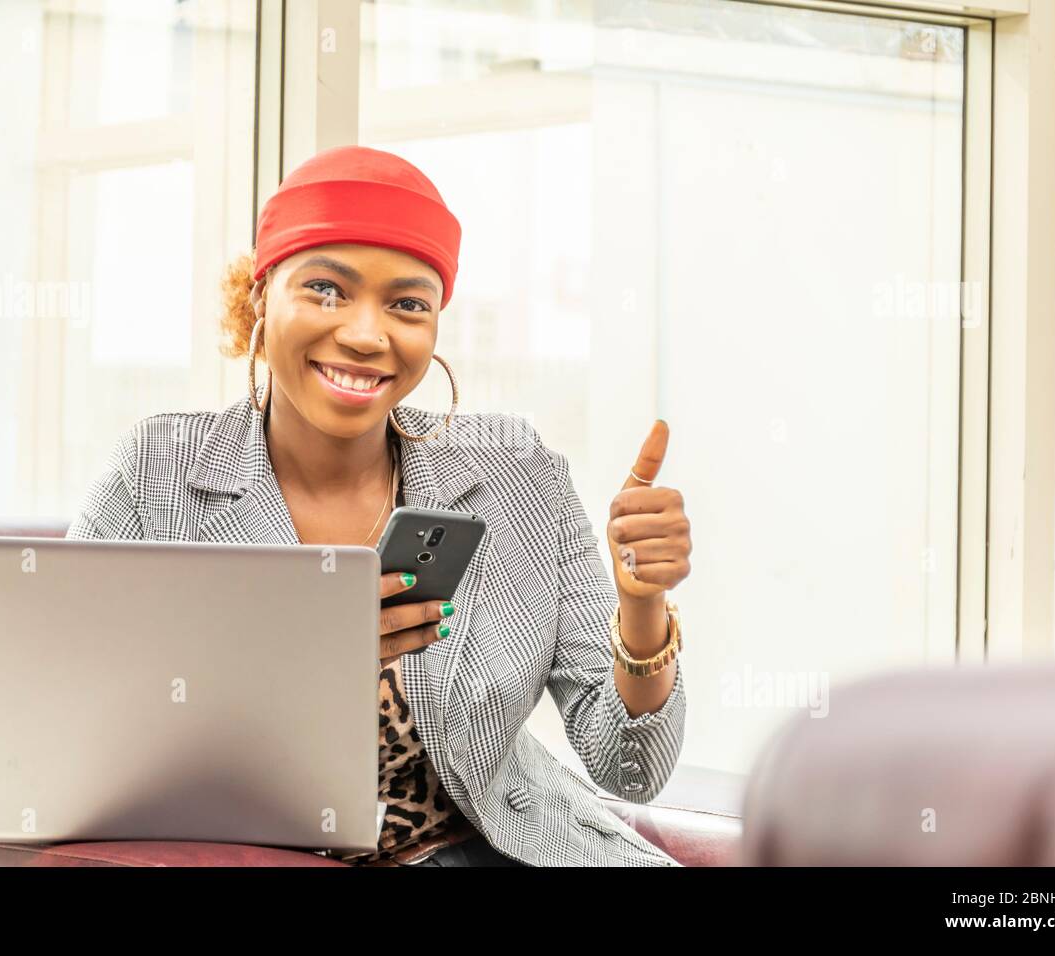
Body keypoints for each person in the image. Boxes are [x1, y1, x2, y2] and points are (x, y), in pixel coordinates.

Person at [67, 144, 692, 866]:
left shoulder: (519, 473)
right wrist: (293, 660)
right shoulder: (157, 476)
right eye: (326, 290)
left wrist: (642, 610)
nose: (367, 334)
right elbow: (74, 742)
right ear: (258, 300)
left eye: (407, 304)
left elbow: (630, 769)